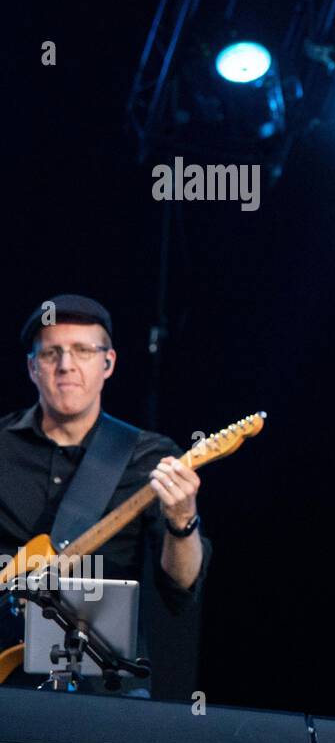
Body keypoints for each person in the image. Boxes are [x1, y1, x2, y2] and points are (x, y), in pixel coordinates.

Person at [0, 294, 212, 696]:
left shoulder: (149, 456)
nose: (67, 366)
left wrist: (183, 520)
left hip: (105, 687)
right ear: (32, 366)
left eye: (83, 351)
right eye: (51, 354)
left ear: (108, 363)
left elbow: (181, 588)